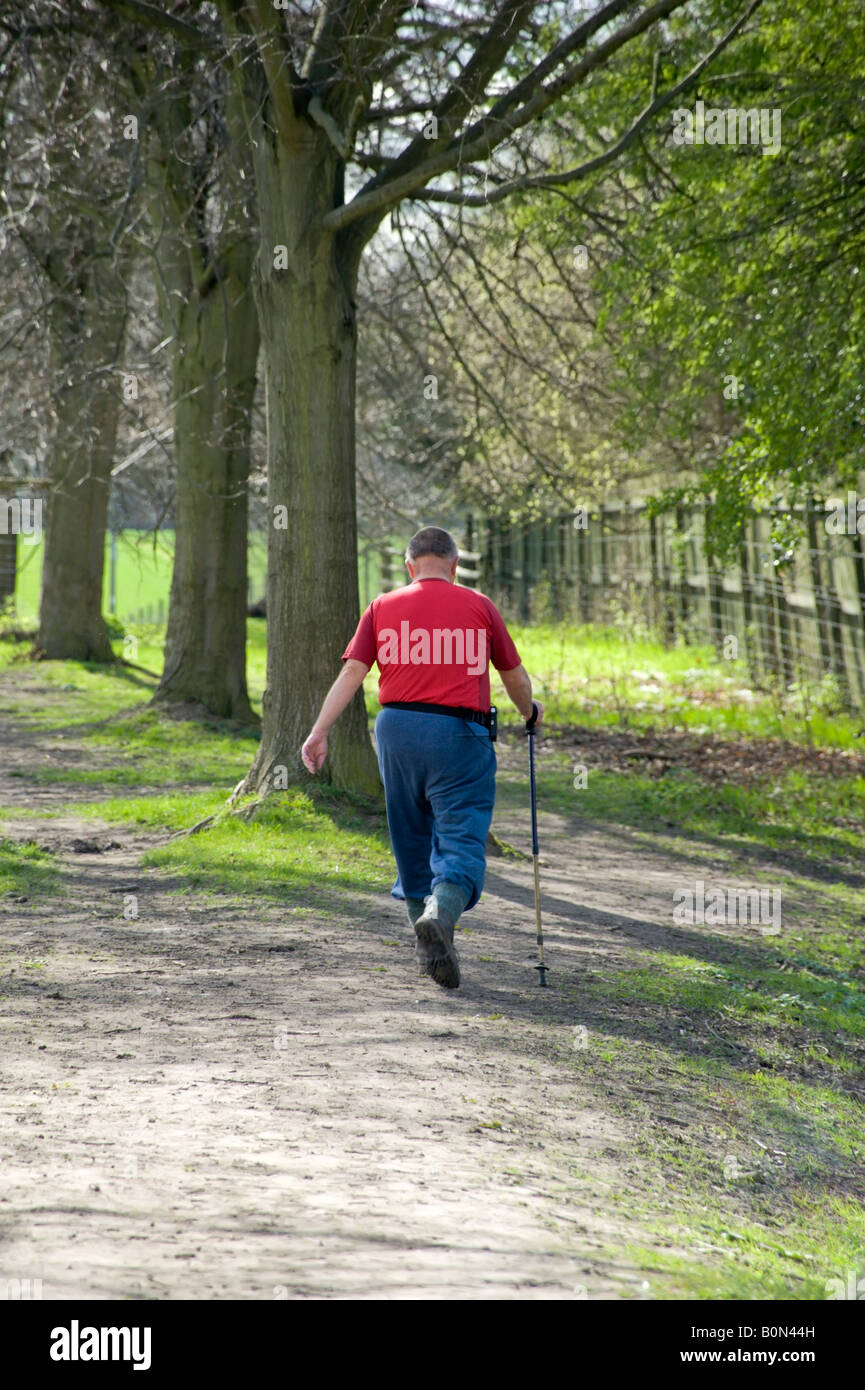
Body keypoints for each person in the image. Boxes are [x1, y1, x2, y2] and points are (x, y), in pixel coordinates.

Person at [301, 526, 543, 990]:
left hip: (397, 731)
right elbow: (512, 674)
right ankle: (439, 914)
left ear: (409, 567)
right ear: (454, 566)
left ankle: (427, 944)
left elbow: (353, 671)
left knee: (409, 836)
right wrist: (528, 713)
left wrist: (319, 730)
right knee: (462, 835)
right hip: (460, 733)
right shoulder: (479, 606)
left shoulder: (382, 607)